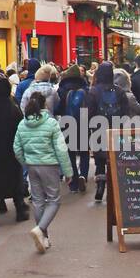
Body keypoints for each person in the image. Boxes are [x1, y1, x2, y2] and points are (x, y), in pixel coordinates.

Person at [13, 90, 72, 252]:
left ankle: (44, 237)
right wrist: (68, 171)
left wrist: (25, 162)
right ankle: (41, 229)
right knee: (54, 200)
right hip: (49, 165)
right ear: (44, 105)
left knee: (38, 201)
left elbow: (16, 148)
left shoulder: (22, 124)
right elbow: (61, 148)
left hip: (32, 166)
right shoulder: (51, 123)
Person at [0, 75, 27, 226]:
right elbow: (21, 129)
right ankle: (19, 209)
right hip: (10, 150)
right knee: (14, 179)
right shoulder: (13, 109)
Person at [86, 61, 130, 203]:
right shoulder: (119, 91)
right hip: (116, 130)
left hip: (98, 130)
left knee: (100, 161)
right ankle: (118, 190)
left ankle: (100, 187)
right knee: (116, 160)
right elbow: (125, 113)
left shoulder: (93, 91)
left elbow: (88, 113)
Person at [55, 63, 89, 192]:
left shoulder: (62, 89)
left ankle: (74, 181)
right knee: (84, 151)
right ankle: (83, 176)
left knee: (70, 154)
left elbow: (58, 108)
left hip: (67, 124)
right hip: (83, 123)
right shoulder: (85, 88)